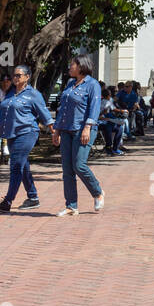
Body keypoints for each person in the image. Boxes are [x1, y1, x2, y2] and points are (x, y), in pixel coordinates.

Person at [0, 64, 51, 213]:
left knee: (16, 166)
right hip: (11, 134)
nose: (15, 78)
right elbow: (1, 114)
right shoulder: (11, 93)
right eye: (14, 75)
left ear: (27, 77)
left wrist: (54, 132)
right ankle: (33, 197)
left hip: (27, 133)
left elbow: (45, 115)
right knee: (23, 166)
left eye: (18, 75)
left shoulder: (34, 94)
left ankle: (7, 201)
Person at [50, 55, 104, 216]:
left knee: (79, 165)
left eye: (72, 64)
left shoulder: (92, 85)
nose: (69, 67)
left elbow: (95, 108)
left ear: (81, 66)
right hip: (66, 130)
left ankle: (98, 192)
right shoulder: (70, 84)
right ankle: (71, 205)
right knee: (67, 170)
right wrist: (57, 130)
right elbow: (63, 109)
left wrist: (87, 127)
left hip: (83, 130)